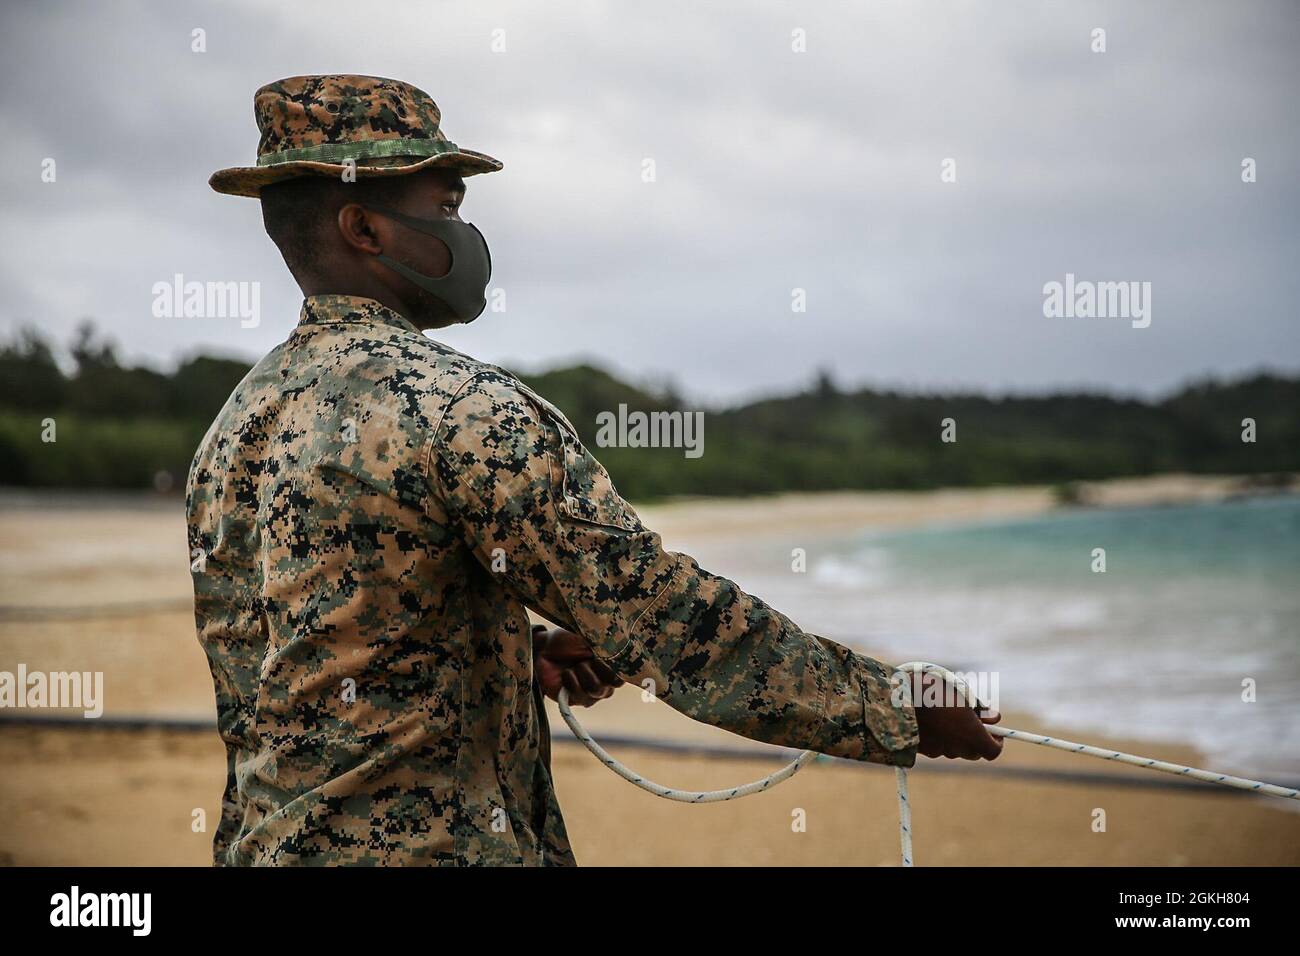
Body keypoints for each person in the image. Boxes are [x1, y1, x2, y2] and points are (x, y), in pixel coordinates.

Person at [189, 74, 1002, 866]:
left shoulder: (233, 429)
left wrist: (508, 648)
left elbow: (300, 653)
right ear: (362, 228)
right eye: (445, 208)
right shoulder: (463, 411)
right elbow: (666, 618)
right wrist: (893, 706)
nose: (464, 236)